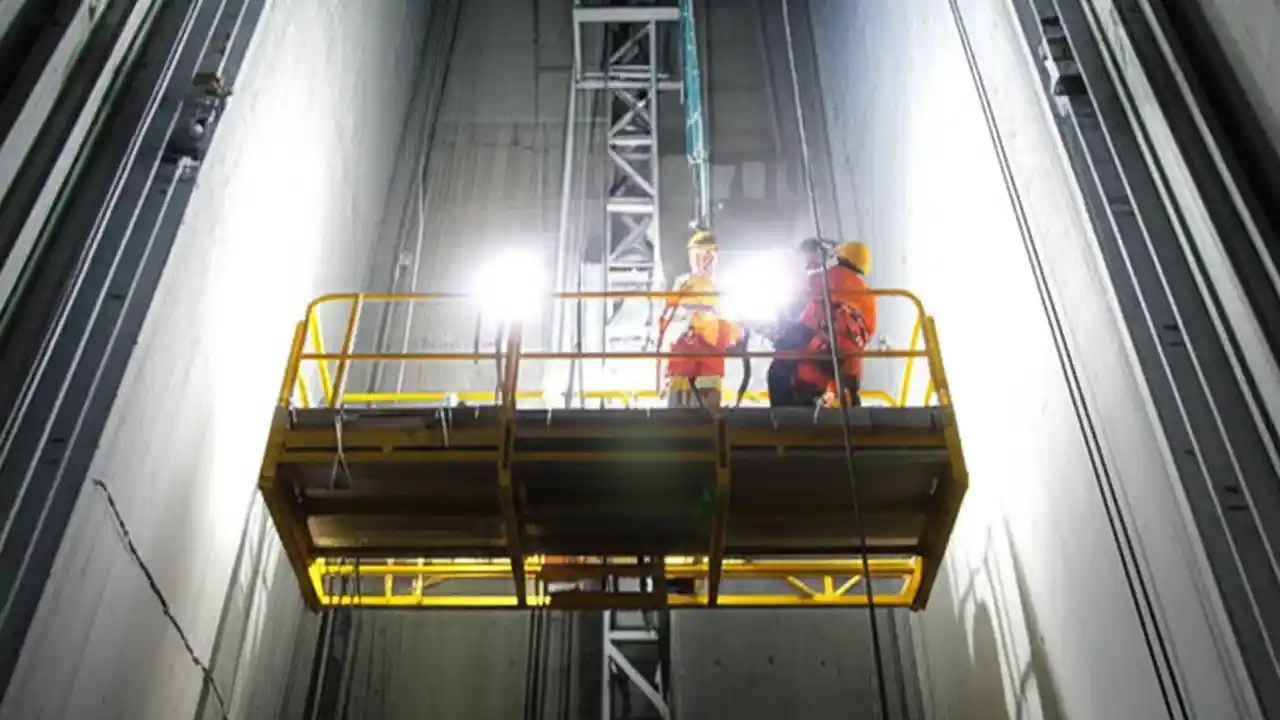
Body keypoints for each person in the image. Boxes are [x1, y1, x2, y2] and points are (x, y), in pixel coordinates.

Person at [769, 240, 876, 407]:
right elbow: (867, 332)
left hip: (816, 361)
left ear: (841, 257)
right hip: (849, 370)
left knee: (778, 368)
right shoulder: (870, 296)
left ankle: (780, 421)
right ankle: (852, 402)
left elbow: (799, 301)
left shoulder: (828, 276)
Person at [658, 230, 741, 408]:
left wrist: (736, 335)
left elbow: (732, 318)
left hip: (711, 350)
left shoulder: (722, 285)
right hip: (684, 349)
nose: (706, 260)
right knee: (679, 399)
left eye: (710, 254)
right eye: (701, 255)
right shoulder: (683, 283)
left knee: (709, 398)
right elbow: (669, 313)